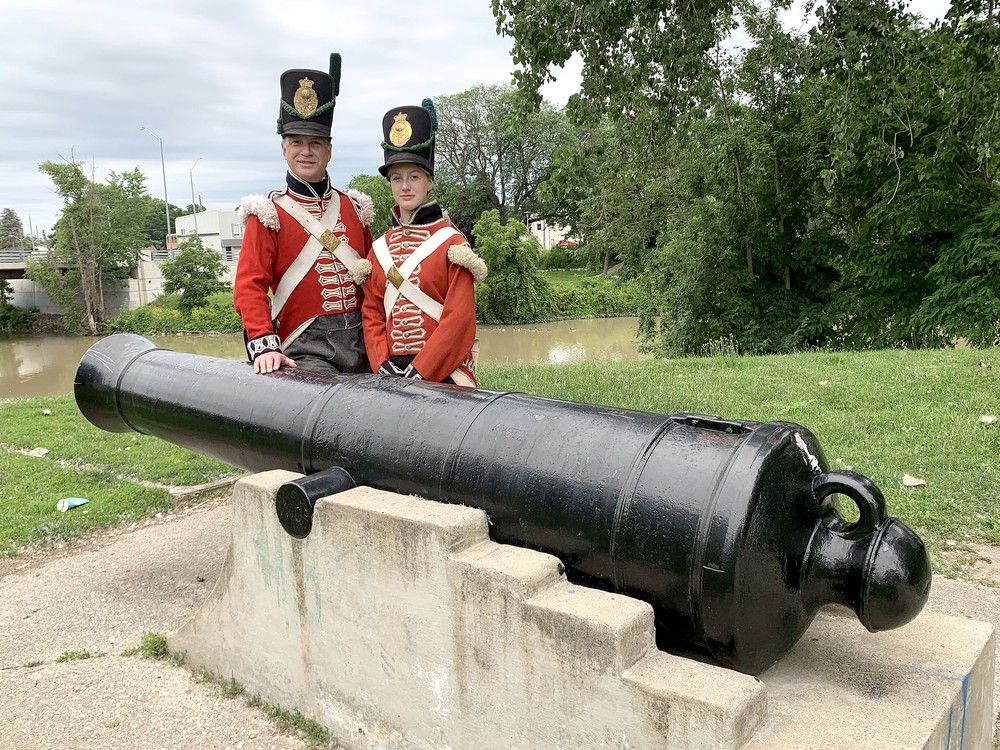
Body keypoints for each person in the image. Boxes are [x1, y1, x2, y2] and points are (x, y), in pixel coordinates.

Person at [234, 53, 375, 375]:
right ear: (284, 149)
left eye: (315, 143)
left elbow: (373, 279)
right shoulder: (267, 213)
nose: (306, 151)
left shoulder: (355, 208)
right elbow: (249, 286)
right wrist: (263, 342)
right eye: (296, 142)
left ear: (329, 150)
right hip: (305, 346)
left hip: (364, 339)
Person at [360, 99, 486, 387]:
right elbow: (372, 314)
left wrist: (423, 370)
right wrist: (382, 363)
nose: (405, 186)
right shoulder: (379, 250)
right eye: (397, 178)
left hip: (445, 371)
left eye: (414, 176)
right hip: (391, 372)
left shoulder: (452, 244)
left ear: (429, 181)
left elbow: (459, 319)